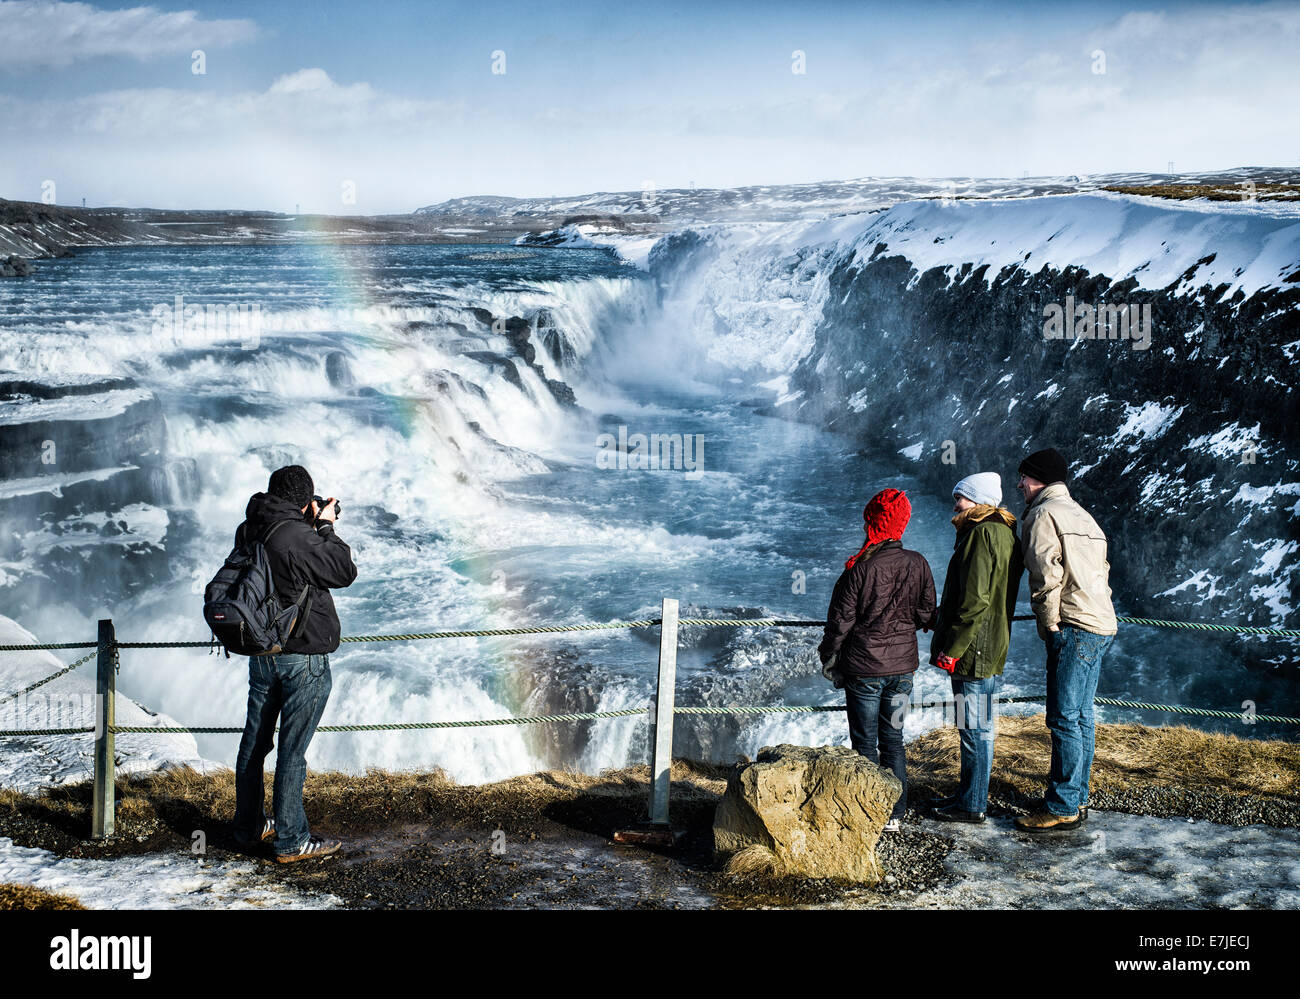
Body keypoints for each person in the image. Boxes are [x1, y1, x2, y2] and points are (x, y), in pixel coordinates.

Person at [231, 464, 358, 862]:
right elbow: (343, 570)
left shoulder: (250, 528)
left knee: (254, 745)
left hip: (261, 654)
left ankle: (249, 826)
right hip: (301, 658)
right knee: (292, 751)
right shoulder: (297, 536)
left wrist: (309, 521)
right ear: (306, 501)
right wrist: (325, 526)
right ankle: (291, 840)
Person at [819, 488, 936, 832]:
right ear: (902, 524)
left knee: (865, 742)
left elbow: (840, 622)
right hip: (902, 669)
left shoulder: (860, 568)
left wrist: (828, 655)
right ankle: (896, 814)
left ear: (872, 523)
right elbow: (927, 613)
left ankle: (872, 811)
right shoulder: (918, 563)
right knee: (894, 740)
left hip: (865, 669)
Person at [1013, 448, 1117, 833]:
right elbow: (1103, 571)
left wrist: (1050, 627)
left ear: (1037, 478)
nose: (1019, 484)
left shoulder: (1043, 514)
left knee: (1062, 719)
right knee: (1083, 716)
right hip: (1102, 622)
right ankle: (1077, 796)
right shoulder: (1083, 516)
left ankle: (1061, 806)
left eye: (1022, 477)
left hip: (1074, 626)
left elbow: (1045, 576)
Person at [928, 472, 1023, 824]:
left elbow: (974, 600)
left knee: (974, 729)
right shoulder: (1004, 532)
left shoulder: (981, 534)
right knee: (977, 726)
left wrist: (952, 647)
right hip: (991, 640)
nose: (956, 505)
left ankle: (971, 805)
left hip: (974, 648)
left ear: (980, 502)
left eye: (962, 499)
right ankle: (970, 795)